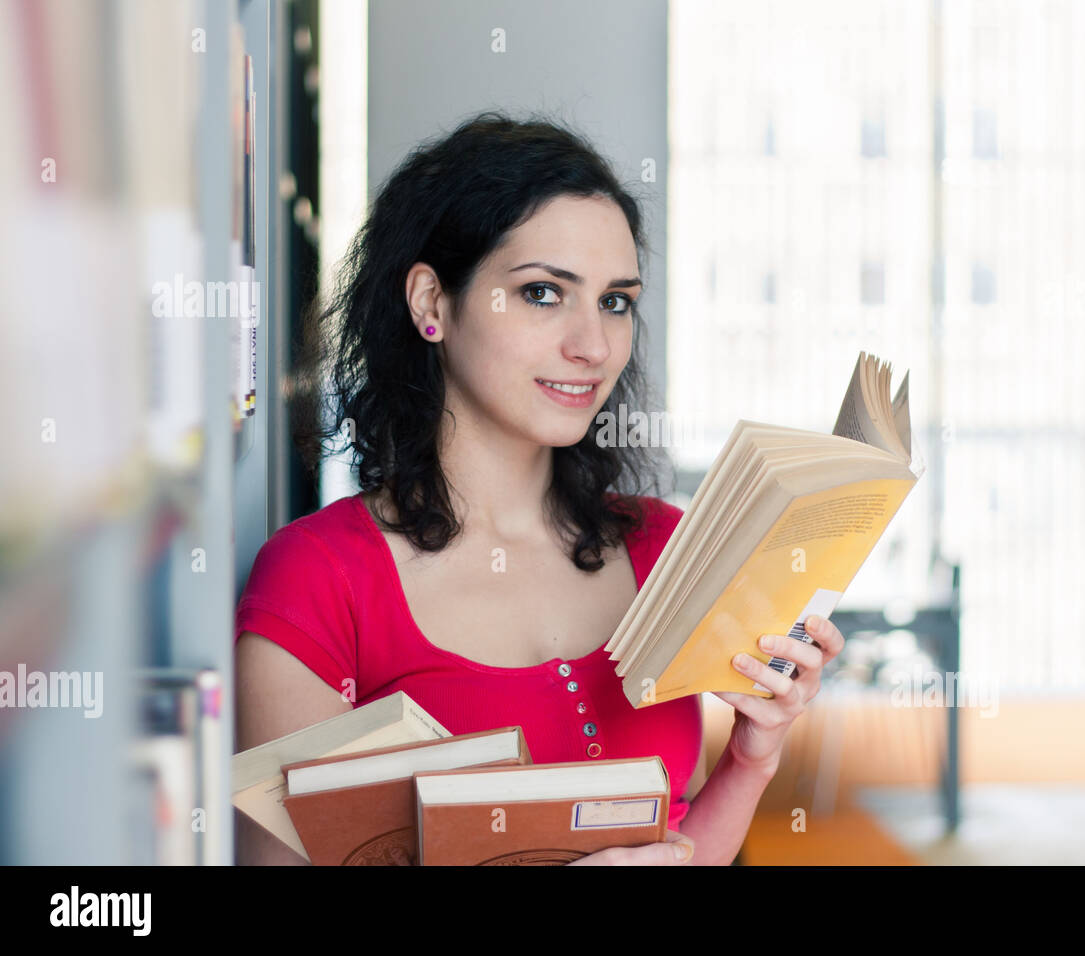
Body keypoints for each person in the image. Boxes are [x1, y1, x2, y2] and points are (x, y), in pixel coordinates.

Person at [234, 110, 845, 866]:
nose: (592, 346)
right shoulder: (318, 583)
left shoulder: (664, 547)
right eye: (542, 294)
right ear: (431, 304)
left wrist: (754, 755)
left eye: (615, 301)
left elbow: (678, 849)